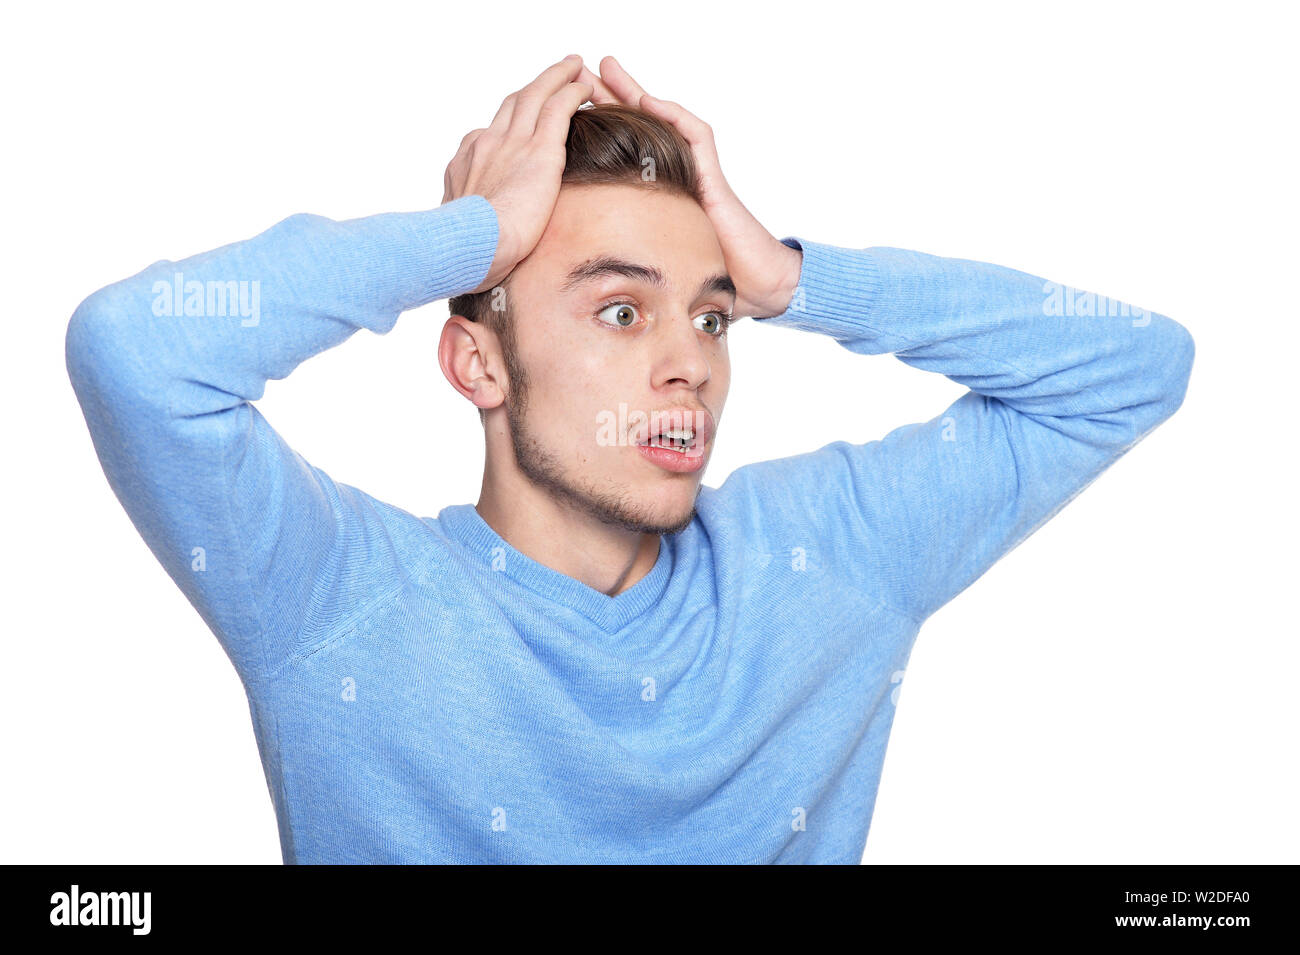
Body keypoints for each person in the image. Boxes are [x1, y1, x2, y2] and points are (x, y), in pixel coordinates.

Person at [64, 54, 1195, 864]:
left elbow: (1135, 364)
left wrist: (797, 279)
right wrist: (474, 241)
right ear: (478, 366)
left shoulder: (827, 555)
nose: (687, 366)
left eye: (710, 319)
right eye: (618, 311)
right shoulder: (334, 597)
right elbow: (138, 351)